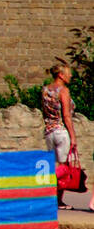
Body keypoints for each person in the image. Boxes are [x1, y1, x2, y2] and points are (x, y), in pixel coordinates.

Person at [41, 62, 78, 211]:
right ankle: (58, 201)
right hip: (61, 131)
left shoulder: (45, 90)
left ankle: (51, 197)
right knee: (63, 168)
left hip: (48, 132)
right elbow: (66, 116)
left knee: (53, 166)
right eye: (68, 74)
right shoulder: (63, 91)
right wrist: (73, 136)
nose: (70, 76)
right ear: (61, 75)